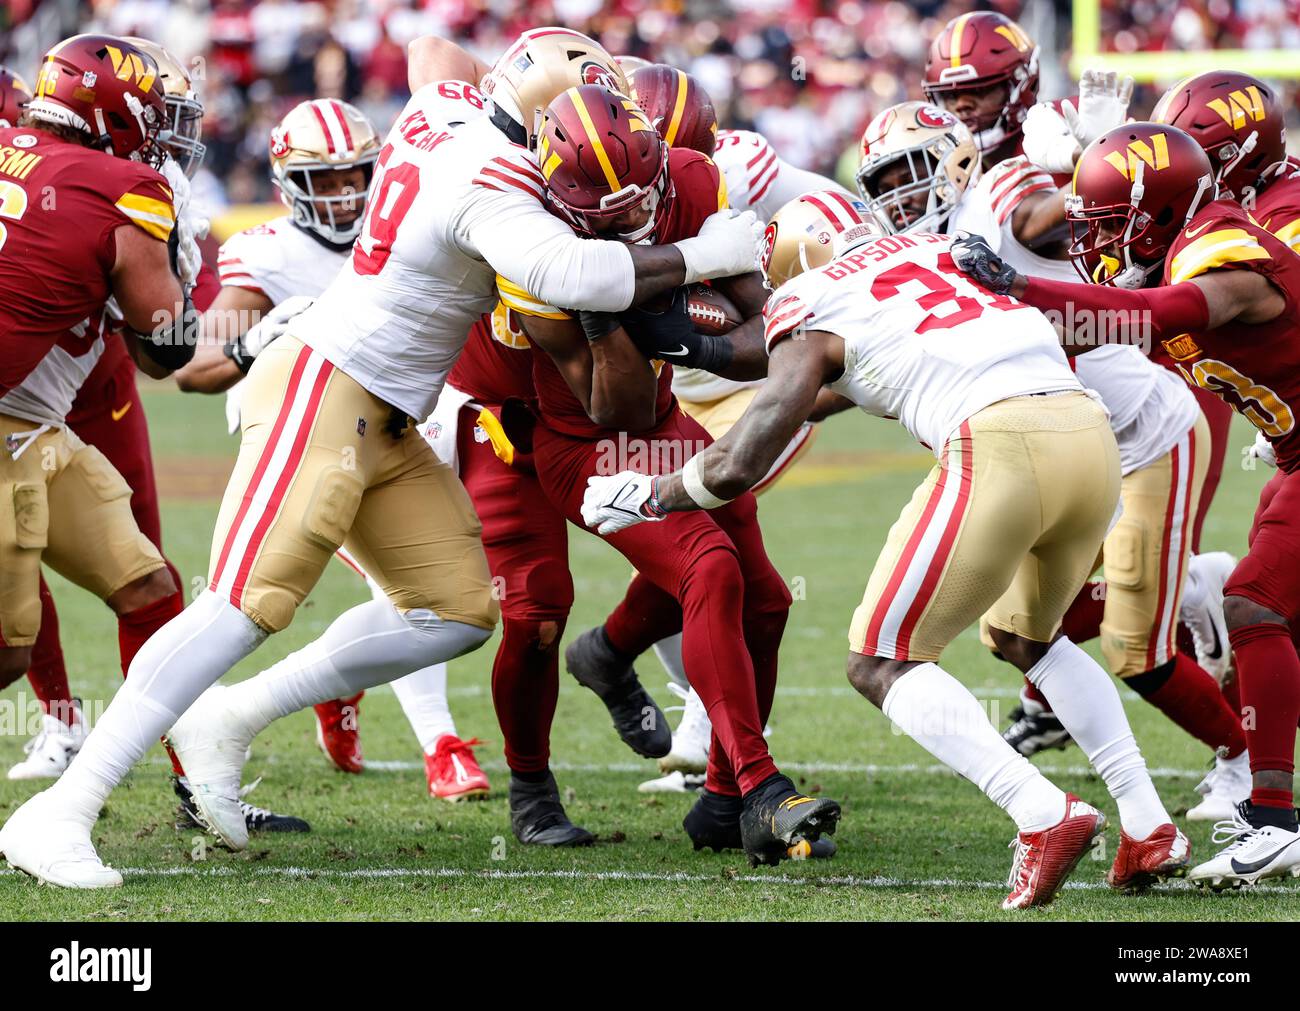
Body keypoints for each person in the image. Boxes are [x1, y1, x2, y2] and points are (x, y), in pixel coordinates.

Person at [0, 27, 761, 889]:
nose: (601, 145)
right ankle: (60, 809)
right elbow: (578, 274)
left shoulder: (449, 112)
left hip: (390, 410)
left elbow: (437, 50)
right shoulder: (495, 175)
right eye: (587, 125)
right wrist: (708, 253)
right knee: (238, 606)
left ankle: (231, 717)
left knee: (455, 609)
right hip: (327, 384)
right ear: (545, 117)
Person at [584, 190, 1189, 907]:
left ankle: (1039, 810)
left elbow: (739, 461)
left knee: (880, 659)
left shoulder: (810, 296)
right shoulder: (937, 250)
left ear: (790, 263)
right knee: (1028, 638)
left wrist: (651, 495)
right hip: (1090, 435)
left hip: (1000, 442)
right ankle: (1150, 823)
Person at [857, 100, 1249, 821]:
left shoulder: (997, 192)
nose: (900, 198)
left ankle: (1241, 763)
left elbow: (1045, 213)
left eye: (910, 175)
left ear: (954, 158)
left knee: (1137, 648)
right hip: (1067, 439)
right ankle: (1191, 584)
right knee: (1012, 633)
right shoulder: (915, 253)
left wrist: (1070, 172)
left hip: (1147, 434)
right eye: (884, 185)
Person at [950, 121, 1300, 889]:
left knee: (1254, 606)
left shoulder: (1223, 255)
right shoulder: (1178, 252)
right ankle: (1269, 809)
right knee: (1261, 610)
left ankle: (1271, 813)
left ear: (1159, 210)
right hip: (1293, 455)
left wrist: (1023, 286)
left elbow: (1144, 316)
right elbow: (1117, 312)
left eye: (1111, 223)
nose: (1097, 237)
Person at [503, 84, 841, 865]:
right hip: (585, 441)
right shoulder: (531, 244)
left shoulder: (693, 178)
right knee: (709, 566)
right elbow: (611, 407)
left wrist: (698, 342)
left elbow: (773, 333)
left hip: (667, 422)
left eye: (640, 197)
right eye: (606, 210)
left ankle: (723, 803)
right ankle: (761, 787)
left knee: (768, 598)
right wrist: (614, 308)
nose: (629, 216)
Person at [0, 34, 196, 876]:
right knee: (9, 648)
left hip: (34, 424)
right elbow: (167, 349)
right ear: (114, 111)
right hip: (6, 430)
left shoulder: (11, 147)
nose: (164, 133)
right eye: (157, 113)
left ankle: (197, 777)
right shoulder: (127, 187)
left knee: (149, 585)